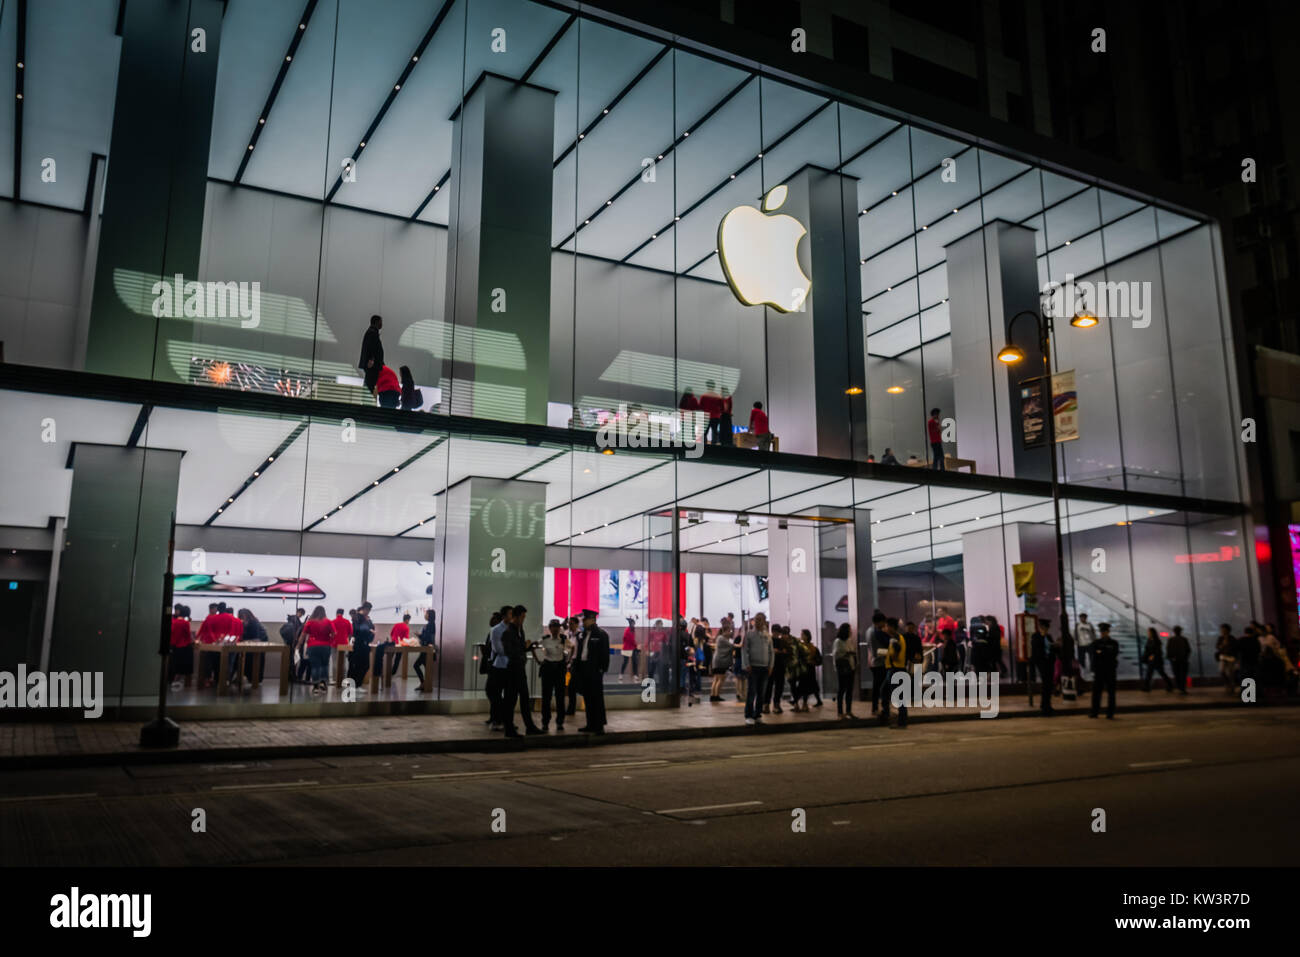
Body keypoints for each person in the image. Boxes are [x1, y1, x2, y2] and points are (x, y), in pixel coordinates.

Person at [502, 604, 542, 737]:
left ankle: (528, 726)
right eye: (523, 617)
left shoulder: (520, 630)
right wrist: (523, 648)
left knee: (523, 698)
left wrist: (528, 647)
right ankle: (510, 728)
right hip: (513, 670)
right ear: (517, 617)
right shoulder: (509, 632)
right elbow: (510, 652)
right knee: (511, 700)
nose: (524, 619)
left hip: (519, 669)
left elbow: (519, 649)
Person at [574, 609, 610, 733]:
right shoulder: (583, 635)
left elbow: (605, 654)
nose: (583, 622)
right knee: (588, 698)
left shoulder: (601, 634)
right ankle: (590, 723)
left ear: (592, 620)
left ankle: (599, 725)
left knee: (597, 699)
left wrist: (601, 669)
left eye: (585, 619)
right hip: (585, 670)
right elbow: (581, 653)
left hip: (594, 671)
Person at [534, 619, 567, 732]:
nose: (555, 628)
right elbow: (533, 647)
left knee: (560, 697)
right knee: (546, 697)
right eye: (553, 626)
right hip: (548, 669)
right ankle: (545, 722)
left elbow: (572, 648)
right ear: (549, 628)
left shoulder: (563, 639)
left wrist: (568, 661)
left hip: (559, 669)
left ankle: (560, 722)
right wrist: (538, 661)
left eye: (557, 626)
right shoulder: (545, 640)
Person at [743, 613, 773, 726]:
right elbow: (745, 650)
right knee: (752, 692)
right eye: (756, 619)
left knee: (762, 693)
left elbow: (771, 652)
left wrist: (771, 665)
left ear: (764, 621)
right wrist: (747, 664)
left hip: (765, 667)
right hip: (753, 667)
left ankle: (758, 715)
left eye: (761, 619)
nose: (758, 621)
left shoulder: (767, 635)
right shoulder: (750, 634)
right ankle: (749, 715)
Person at [878, 618, 908, 727]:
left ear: (891, 627)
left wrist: (886, 654)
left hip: (895, 669)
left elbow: (895, 655)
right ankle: (887, 714)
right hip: (896, 669)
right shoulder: (898, 638)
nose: (885, 628)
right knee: (885, 691)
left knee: (898, 696)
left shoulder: (895, 639)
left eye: (886, 626)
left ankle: (901, 721)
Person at [486, 607, 511, 731]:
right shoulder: (495, 630)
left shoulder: (514, 628)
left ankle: (505, 720)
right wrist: (513, 650)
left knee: (509, 696)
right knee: (495, 694)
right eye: (510, 614)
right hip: (499, 666)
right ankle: (496, 719)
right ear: (504, 616)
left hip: (510, 666)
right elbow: (498, 649)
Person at [1088, 622, 1120, 719]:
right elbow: (1094, 654)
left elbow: (1113, 654)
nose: (1103, 633)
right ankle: (1095, 712)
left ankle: (1110, 713)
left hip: (1110, 670)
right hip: (1099, 671)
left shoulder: (1114, 643)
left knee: (1111, 693)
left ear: (1108, 632)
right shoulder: (1096, 643)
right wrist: (1105, 652)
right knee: (1096, 693)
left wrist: (1101, 652)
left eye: (1105, 631)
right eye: (1102, 631)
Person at [303, 605, 335, 694]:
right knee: (325, 665)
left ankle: (316, 687)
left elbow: (303, 634)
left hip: (313, 646)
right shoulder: (328, 622)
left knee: (315, 667)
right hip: (325, 646)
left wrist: (298, 646)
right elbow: (333, 633)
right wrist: (330, 640)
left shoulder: (310, 622)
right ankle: (323, 685)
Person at [347, 603, 376, 691]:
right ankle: (356, 685)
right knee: (358, 665)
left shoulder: (367, 619)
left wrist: (370, 631)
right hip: (359, 644)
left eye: (369, 610)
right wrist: (368, 630)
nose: (368, 612)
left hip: (365, 644)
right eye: (367, 609)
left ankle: (358, 685)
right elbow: (356, 630)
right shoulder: (357, 617)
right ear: (364, 609)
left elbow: (372, 629)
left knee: (365, 665)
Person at [1030, 618, 1055, 715]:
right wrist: (1042, 636)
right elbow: (1036, 649)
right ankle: (1045, 705)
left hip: (1049, 662)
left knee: (1049, 684)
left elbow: (1052, 648)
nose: (1045, 629)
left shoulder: (1048, 637)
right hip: (1042, 662)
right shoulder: (1036, 636)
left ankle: (1046, 704)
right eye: (1043, 627)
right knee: (1046, 684)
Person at [833, 622, 856, 719]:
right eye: (849, 630)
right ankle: (840, 712)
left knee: (850, 690)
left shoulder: (849, 640)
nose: (850, 631)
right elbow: (837, 655)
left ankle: (849, 711)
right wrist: (848, 653)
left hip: (851, 667)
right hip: (842, 668)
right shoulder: (838, 641)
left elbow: (853, 652)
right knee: (842, 690)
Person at [767, 624, 791, 714]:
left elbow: (787, 652)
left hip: (779, 666)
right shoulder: (769, 640)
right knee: (770, 685)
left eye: (777, 632)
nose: (776, 634)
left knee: (778, 686)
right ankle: (768, 704)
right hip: (772, 666)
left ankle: (775, 704)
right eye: (775, 632)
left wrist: (779, 651)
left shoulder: (781, 641)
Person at [1141, 626, 1173, 692]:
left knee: (1159, 673)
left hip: (1156, 660)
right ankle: (1146, 687)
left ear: (1152, 633)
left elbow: (1157, 651)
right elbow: (1147, 650)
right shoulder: (1150, 640)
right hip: (1152, 660)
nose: (1148, 633)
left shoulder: (1156, 641)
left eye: (1149, 632)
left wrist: (1152, 655)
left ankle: (1170, 685)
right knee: (1150, 673)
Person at [358, 314, 384, 394]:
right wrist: (372, 360)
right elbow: (373, 348)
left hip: (372, 365)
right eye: (380, 322)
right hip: (373, 366)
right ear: (376, 322)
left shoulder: (371, 332)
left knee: (369, 384)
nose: (381, 324)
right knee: (369, 385)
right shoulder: (372, 332)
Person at [169, 604, 193, 685]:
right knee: (186, 665)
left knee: (175, 664)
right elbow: (188, 636)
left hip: (173, 645)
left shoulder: (173, 621)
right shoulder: (185, 623)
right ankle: (185, 681)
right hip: (184, 646)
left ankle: (173, 680)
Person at [710, 621, 735, 702]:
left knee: (716, 679)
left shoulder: (719, 638)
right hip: (720, 662)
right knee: (720, 679)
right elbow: (731, 646)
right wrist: (740, 645)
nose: (730, 633)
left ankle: (713, 695)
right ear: (724, 631)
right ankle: (716, 695)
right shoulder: (722, 638)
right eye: (729, 631)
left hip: (716, 661)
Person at [413, 608, 436, 686]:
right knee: (426, 666)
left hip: (427, 649)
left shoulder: (430, 625)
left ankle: (424, 683)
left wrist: (419, 635)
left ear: (429, 615)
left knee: (416, 665)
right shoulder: (430, 624)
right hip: (426, 649)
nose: (424, 615)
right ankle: (425, 683)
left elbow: (427, 638)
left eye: (426, 613)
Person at [1166, 625, 1191, 695]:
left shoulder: (1171, 640)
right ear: (1180, 631)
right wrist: (1186, 657)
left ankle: (1180, 688)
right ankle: (1182, 689)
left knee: (1177, 675)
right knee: (1183, 675)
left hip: (1175, 660)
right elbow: (1188, 650)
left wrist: (1171, 658)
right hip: (1183, 660)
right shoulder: (1184, 639)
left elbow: (1168, 650)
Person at [1214, 624, 1238, 693]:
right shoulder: (1220, 638)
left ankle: (1232, 686)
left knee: (1230, 673)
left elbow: (1235, 648)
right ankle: (1227, 684)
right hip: (1223, 656)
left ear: (1228, 630)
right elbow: (1217, 646)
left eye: (1223, 629)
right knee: (1221, 671)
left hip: (1230, 657)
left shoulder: (1232, 638)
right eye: (1221, 630)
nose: (1222, 631)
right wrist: (1222, 645)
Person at [680, 626, 700, 706]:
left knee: (681, 674)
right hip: (685, 657)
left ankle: (681, 688)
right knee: (684, 674)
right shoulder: (687, 635)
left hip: (678, 657)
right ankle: (684, 688)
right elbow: (691, 646)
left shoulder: (675, 634)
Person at [699, 379, 722, 445]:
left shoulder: (703, 396)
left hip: (706, 416)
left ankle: (704, 446)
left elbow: (700, 407)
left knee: (704, 433)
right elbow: (721, 408)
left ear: (707, 386)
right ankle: (713, 447)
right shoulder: (718, 396)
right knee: (714, 433)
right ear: (714, 386)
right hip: (716, 417)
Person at [620, 616, 639, 681]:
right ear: (630, 624)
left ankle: (635, 675)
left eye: (634, 623)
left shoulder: (633, 630)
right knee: (625, 662)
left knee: (635, 662)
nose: (634, 624)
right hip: (627, 648)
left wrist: (635, 646)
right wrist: (635, 645)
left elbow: (632, 639)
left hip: (632, 648)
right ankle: (621, 674)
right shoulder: (628, 630)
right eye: (633, 623)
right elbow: (628, 639)